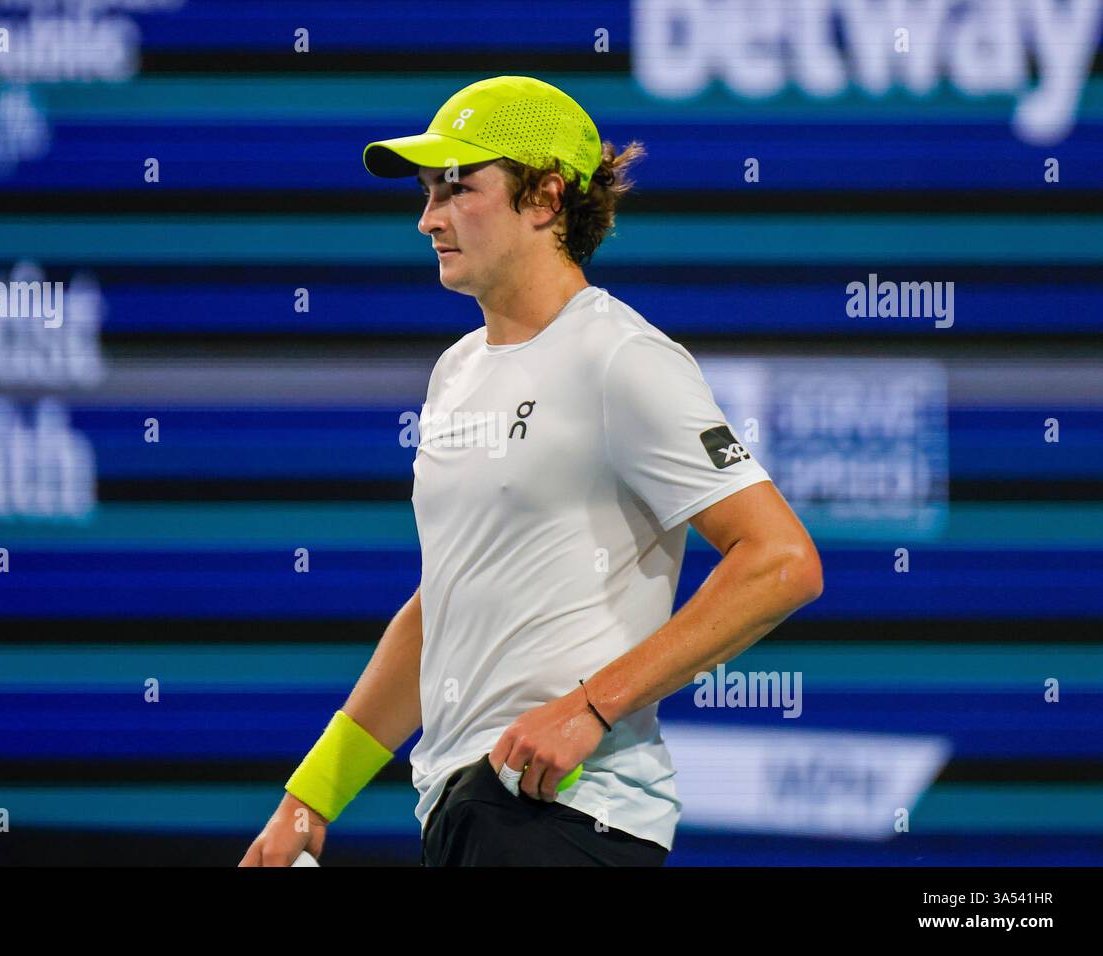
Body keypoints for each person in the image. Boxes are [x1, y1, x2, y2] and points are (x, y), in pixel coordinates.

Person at [239, 75, 822, 867]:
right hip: (467, 812)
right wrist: (313, 795)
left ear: (545, 198)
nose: (428, 217)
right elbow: (442, 604)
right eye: (426, 191)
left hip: (570, 813)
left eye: (457, 188)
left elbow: (781, 562)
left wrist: (590, 708)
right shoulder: (456, 374)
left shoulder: (621, 357)